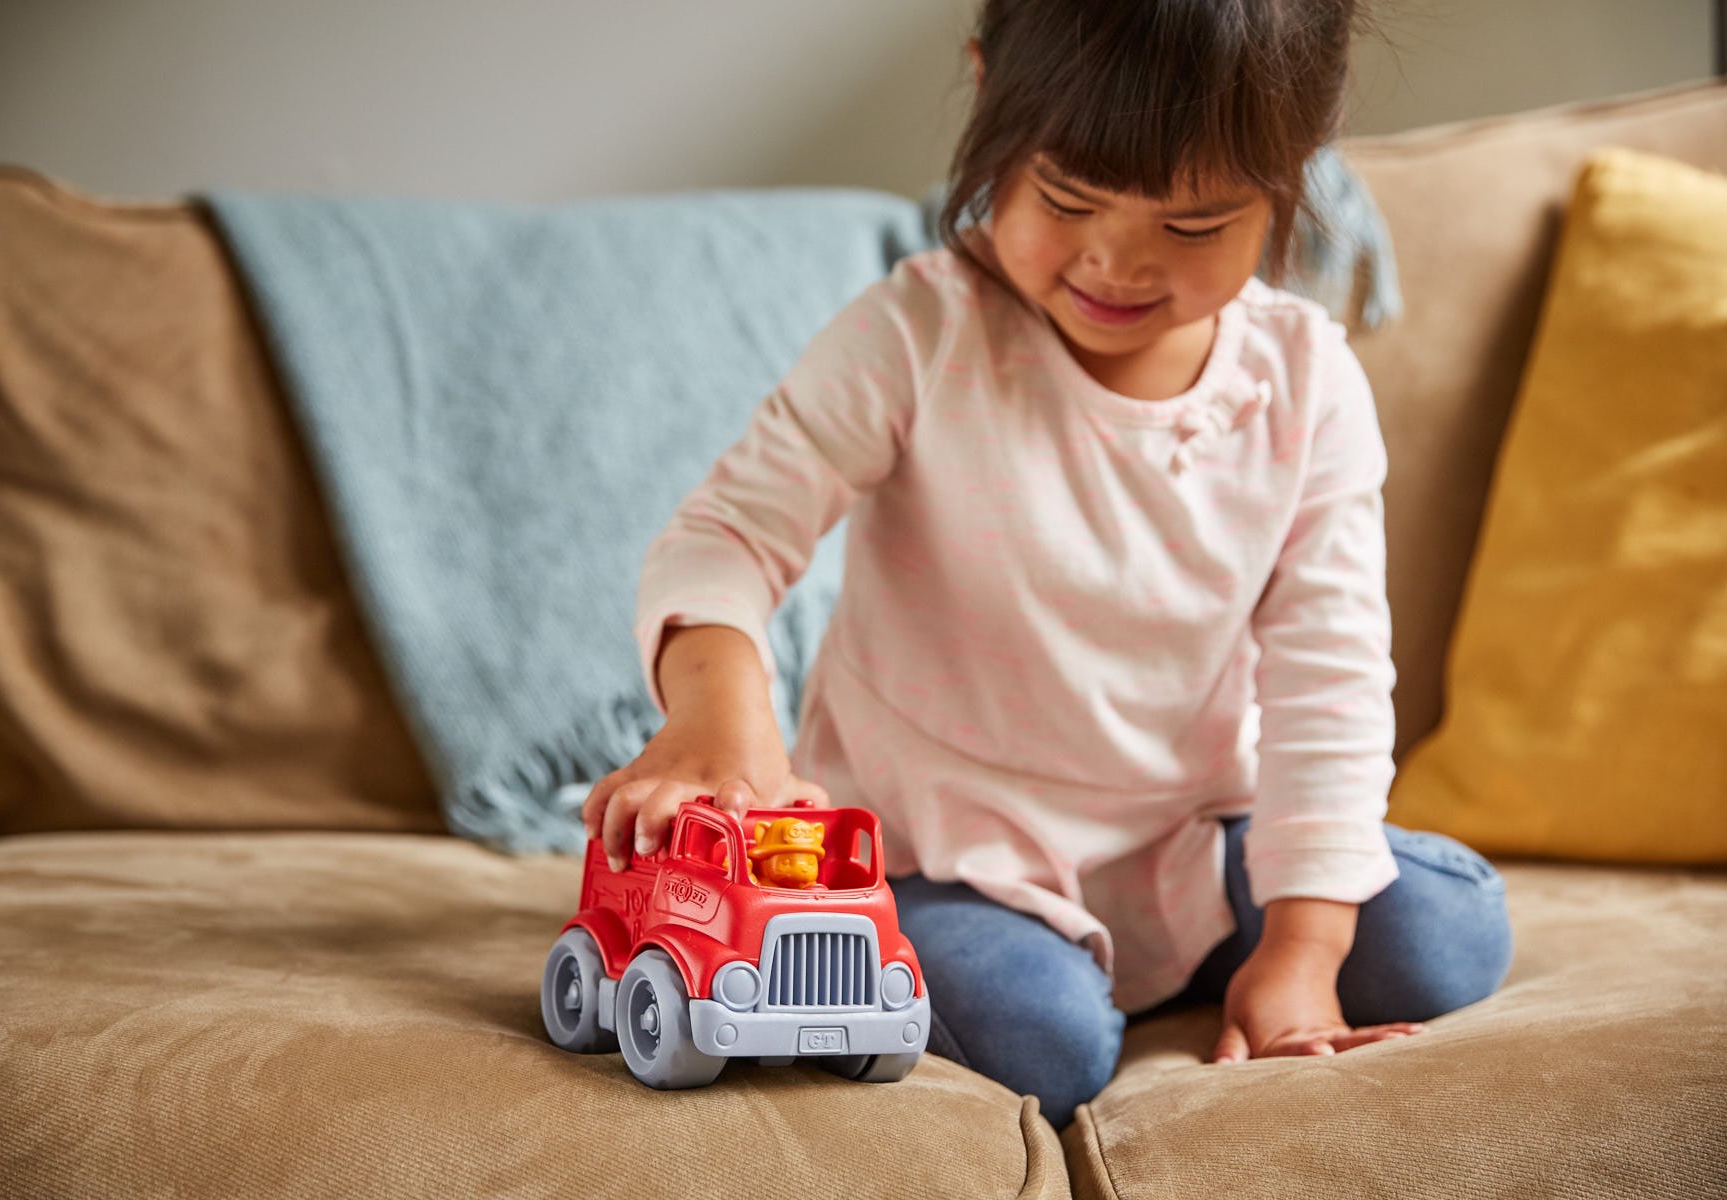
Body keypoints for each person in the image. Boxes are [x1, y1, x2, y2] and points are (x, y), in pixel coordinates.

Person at [582, 0, 1514, 1129]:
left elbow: (1332, 679)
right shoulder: (919, 335)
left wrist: (1305, 947)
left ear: (1294, 170)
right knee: (1047, 1041)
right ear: (987, 97)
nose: (1116, 263)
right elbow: (730, 533)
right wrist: (721, 720)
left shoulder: (1305, 380)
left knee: (1450, 932)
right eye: (1066, 200)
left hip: (1188, 842)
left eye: (1196, 224)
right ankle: (1077, 976)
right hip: (946, 853)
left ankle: (1192, 960)